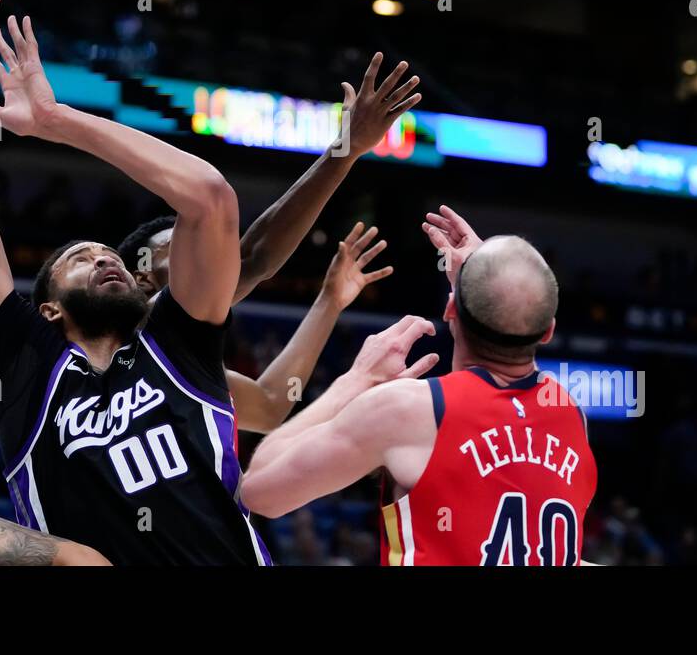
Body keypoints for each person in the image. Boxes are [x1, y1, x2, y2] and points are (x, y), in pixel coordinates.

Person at [0, 0, 266, 563]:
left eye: (110, 256)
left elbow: (211, 198)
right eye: (80, 259)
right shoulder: (28, 364)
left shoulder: (178, 343)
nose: (106, 256)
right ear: (48, 308)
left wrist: (56, 121)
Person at [241, 206, 598, 566]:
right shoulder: (569, 413)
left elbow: (259, 492)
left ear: (450, 311)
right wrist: (488, 275)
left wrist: (354, 381)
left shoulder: (409, 409)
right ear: (549, 331)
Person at [117, 50, 421, 433]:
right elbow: (253, 258)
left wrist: (329, 302)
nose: (204, 248)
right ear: (142, 276)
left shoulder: (182, 359)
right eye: (177, 242)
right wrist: (345, 151)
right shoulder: (123, 333)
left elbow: (269, 405)